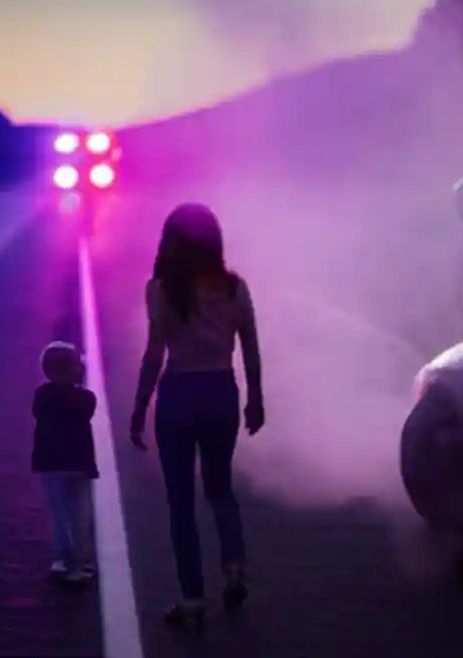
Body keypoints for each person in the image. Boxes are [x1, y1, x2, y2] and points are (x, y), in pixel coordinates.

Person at [130, 203, 265, 629]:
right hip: (221, 389)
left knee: (180, 502)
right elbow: (250, 345)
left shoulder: (162, 289)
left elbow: (155, 353)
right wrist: (256, 397)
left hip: (179, 392)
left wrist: (139, 406)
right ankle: (235, 564)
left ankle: (192, 597)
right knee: (220, 487)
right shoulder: (233, 288)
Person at [32, 340, 97, 585]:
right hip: (79, 461)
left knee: (58, 511)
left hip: (50, 462)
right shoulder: (86, 398)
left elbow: (37, 414)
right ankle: (83, 560)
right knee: (80, 510)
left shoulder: (42, 395)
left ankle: (62, 556)